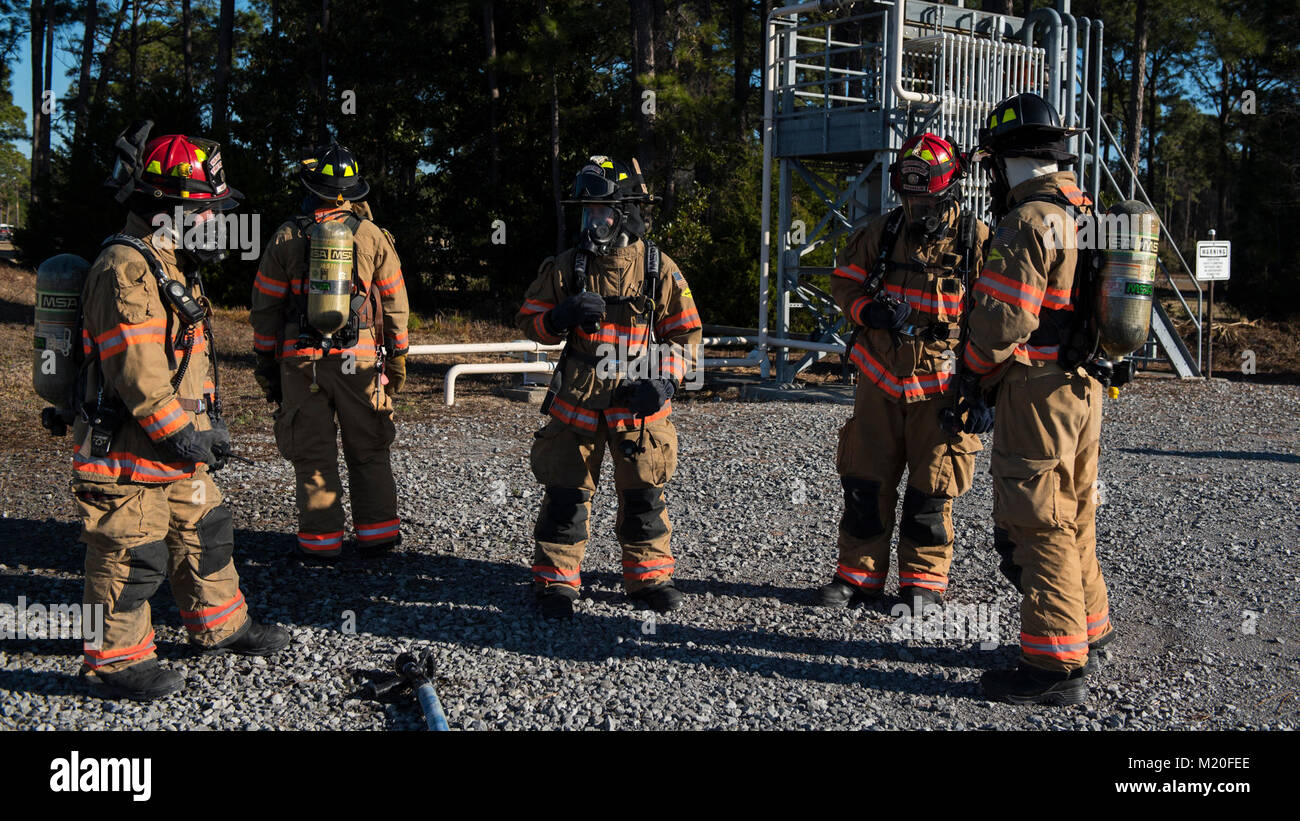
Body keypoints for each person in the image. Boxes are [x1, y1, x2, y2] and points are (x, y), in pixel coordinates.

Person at [75, 121, 288, 700]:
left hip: (177, 441)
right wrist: (182, 434)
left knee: (206, 530)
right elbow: (138, 374)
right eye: (205, 210)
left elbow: (182, 364)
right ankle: (113, 661)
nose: (215, 222)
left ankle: (220, 625)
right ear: (163, 207)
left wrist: (202, 427)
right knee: (128, 552)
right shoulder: (126, 270)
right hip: (128, 447)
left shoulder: (168, 264)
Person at [962, 93, 1115, 705]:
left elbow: (1002, 323)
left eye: (994, 163)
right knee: (1074, 506)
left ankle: (1054, 665)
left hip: (1039, 389)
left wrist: (972, 376)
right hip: (1085, 387)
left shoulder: (1028, 221)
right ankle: (1088, 626)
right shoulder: (1084, 208)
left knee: (1037, 517)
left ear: (1010, 160)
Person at [515, 156, 702, 619]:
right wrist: (558, 318)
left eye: (602, 212)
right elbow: (529, 322)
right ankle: (557, 581)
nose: (593, 221)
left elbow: (687, 336)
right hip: (578, 398)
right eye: (587, 212)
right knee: (566, 492)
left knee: (643, 495)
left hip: (637, 403)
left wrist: (664, 381)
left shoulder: (658, 268)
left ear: (626, 212)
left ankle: (649, 578)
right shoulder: (565, 266)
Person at [819, 133, 990, 612]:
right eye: (908, 193)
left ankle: (923, 583)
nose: (916, 204)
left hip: (941, 387)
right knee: (864, 481)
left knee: (931, 489)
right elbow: (845, 282)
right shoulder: (881, 232)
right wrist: (866, 311)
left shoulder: (976, 242)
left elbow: (997, 316)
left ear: (949, 187)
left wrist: (983, 391)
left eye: (925, 194)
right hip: (879, 379)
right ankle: (857, 576)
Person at [250, 142, 410, 561]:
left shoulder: (286, 236)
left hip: (302, 363)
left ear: (310, 187)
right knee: (370, 448)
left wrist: (266, 363)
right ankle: (378, 538)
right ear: (353, 192)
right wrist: (397, 356)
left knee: (314, 453)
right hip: (358, 360)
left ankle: (321, 545)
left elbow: (265, 307)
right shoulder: (373, 236)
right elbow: (394, 304)